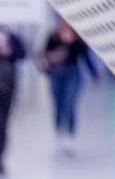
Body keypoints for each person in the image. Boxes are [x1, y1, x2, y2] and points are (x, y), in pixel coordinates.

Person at [41, 19, 99, 155]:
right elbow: (45, 54)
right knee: (58, 104)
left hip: (72, 73)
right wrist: (57, 53)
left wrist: (94, 74)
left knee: (70, 103)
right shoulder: (53, 36)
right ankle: (59, 130)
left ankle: (70, 135)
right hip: (56, 74)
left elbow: (85, 57)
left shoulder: (77, 39)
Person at [0, 25, 26, 176]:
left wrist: (9, 51)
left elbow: (23, 54)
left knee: (4, 124)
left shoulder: (12, 38)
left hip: (8, 88)